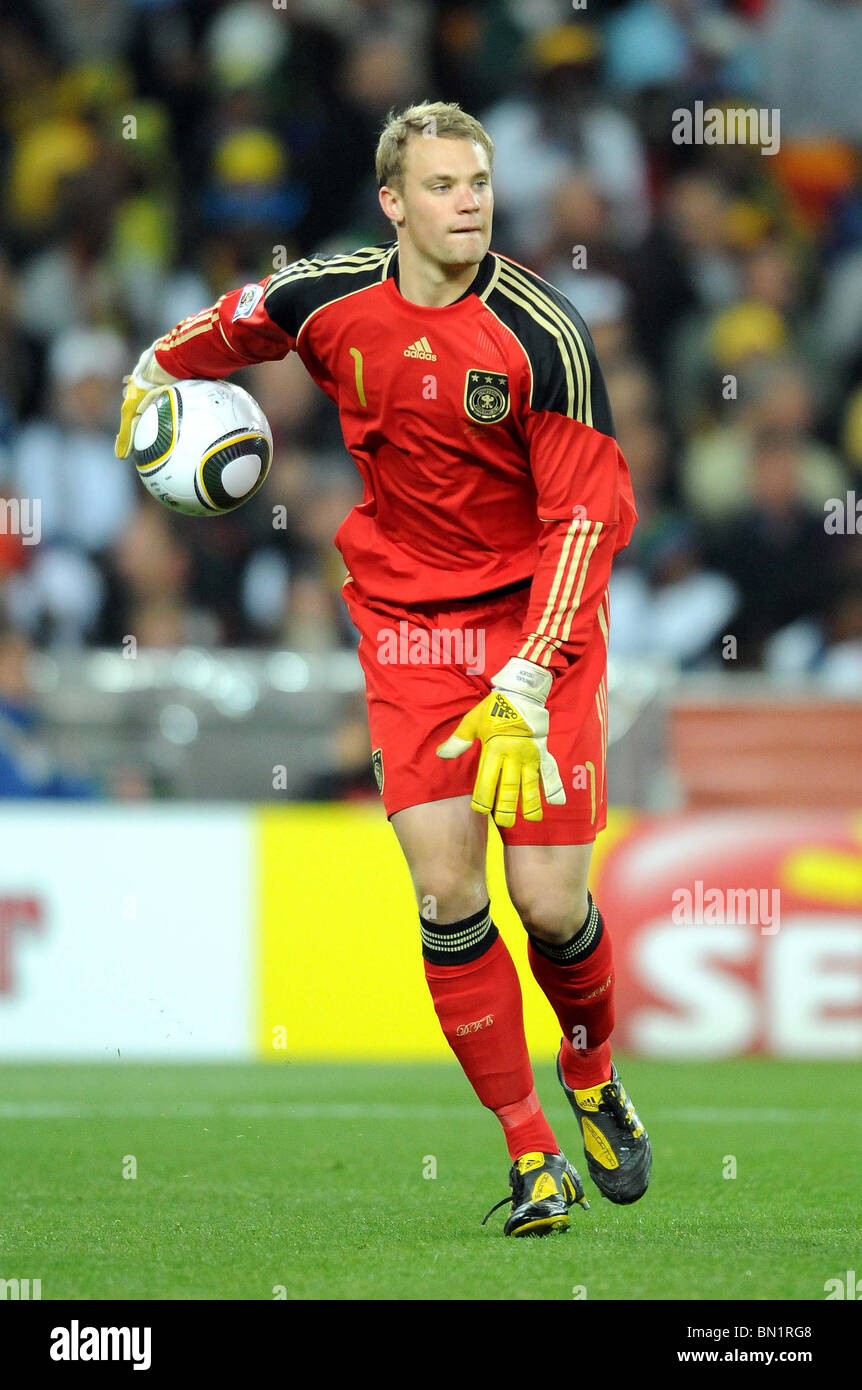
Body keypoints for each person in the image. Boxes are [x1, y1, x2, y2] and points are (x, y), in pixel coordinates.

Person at [115, 101, 651, 1237]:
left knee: (550, 903)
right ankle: (530, 1157)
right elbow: (226, 327)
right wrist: (149, 375)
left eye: (481, 183)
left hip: (531, 625)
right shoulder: (326, 295)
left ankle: (594, 1076)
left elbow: (585, 524)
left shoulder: (542, 336)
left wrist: (529, 675)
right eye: (446, 186)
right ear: (393, 202)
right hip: (409, 626)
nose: (471, 203)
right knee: (448, 891)